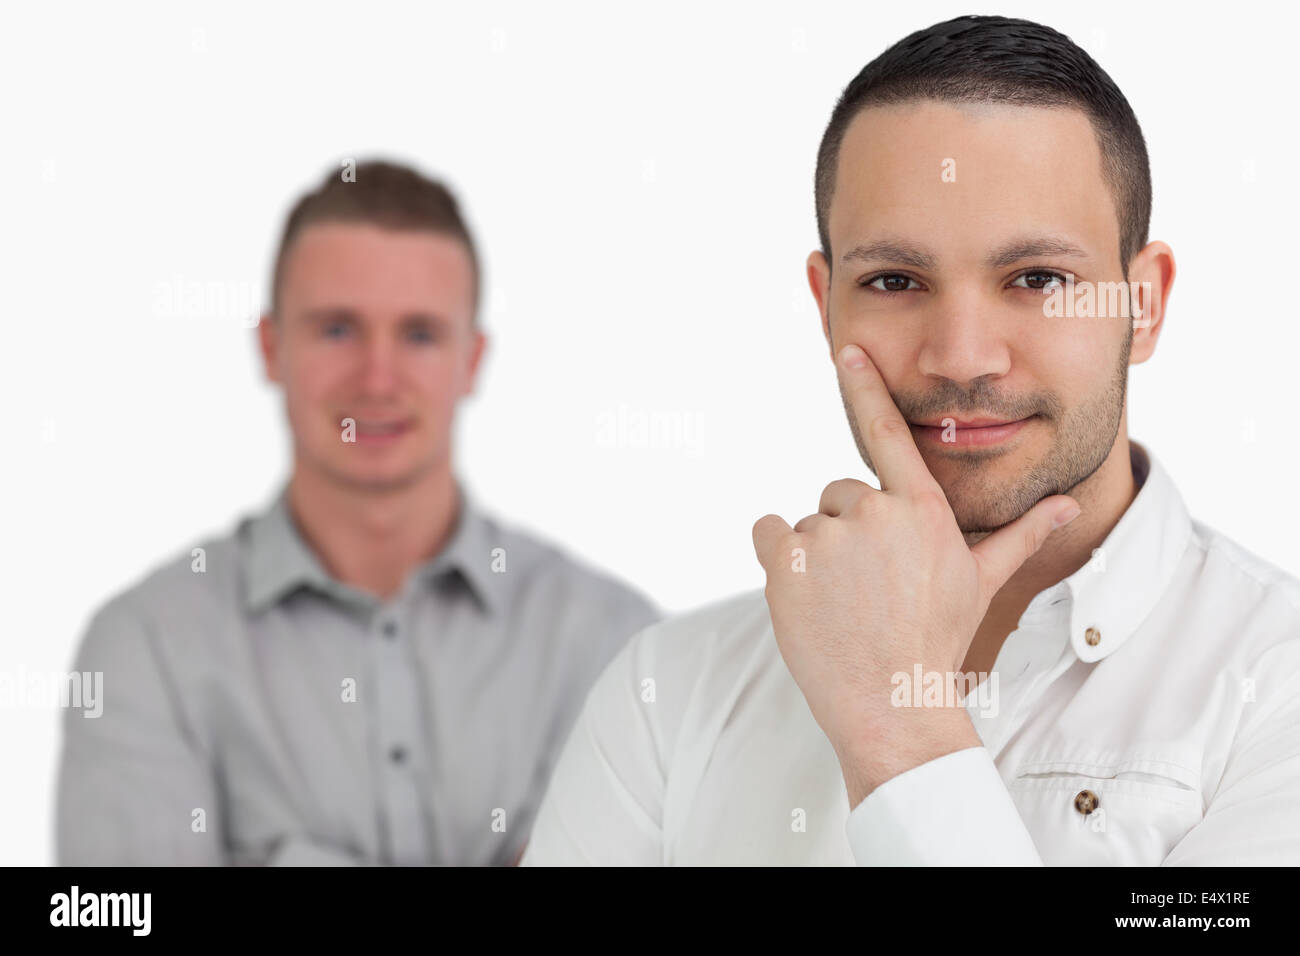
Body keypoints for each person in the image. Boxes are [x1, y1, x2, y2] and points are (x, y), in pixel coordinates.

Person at [522, 15, 1300, 865]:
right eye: (894, 280)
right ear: (826, 306)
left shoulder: (1278, 690)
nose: (963, 357)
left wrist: (897, 725)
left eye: (1038, 279)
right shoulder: (663, 693)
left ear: (1142, 305)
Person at [56, 160, 659, 866]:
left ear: (472, 360)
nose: (377, 379)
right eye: (338, 330)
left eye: (420, 334)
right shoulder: (145, 647)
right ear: (271, 347)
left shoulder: (613, 643)